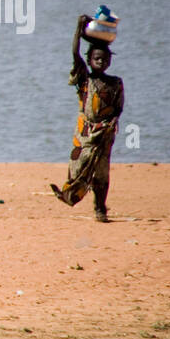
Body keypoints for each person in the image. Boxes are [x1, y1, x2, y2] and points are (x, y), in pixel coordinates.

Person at [51, 12, 124, 222]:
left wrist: (112, 121)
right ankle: (69, 194)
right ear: (90, 60)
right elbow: (75, 54)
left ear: (110, 61)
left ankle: (100, 208)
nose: (101, 62)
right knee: (78, 165)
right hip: (84, 132)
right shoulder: (84, 79)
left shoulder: (115, 83)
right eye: (97, 58)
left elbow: (119, 107)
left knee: (101, 172)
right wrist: (78, 29)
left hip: (105, 133)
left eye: (104, 59)